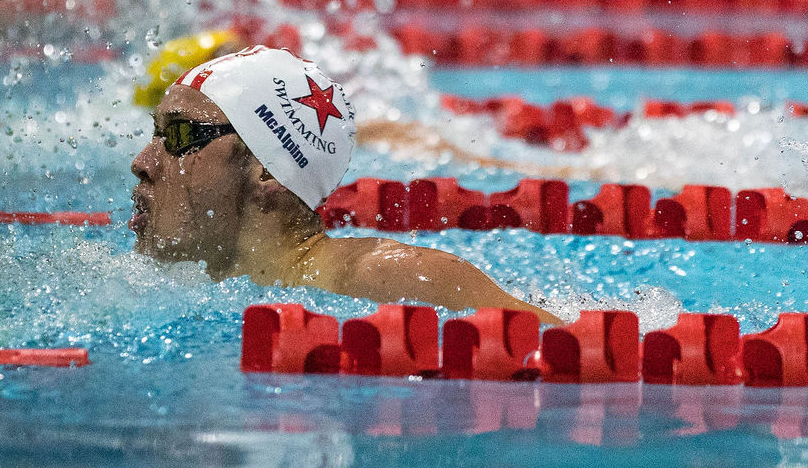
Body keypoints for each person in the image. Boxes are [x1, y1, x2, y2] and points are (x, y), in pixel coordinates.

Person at [129, 45, 544, 316]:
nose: (142, 163)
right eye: (155, 135)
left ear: (267, 168)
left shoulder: (393, 280)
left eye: (179, 135)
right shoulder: (164, 289)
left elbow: (568, 347)